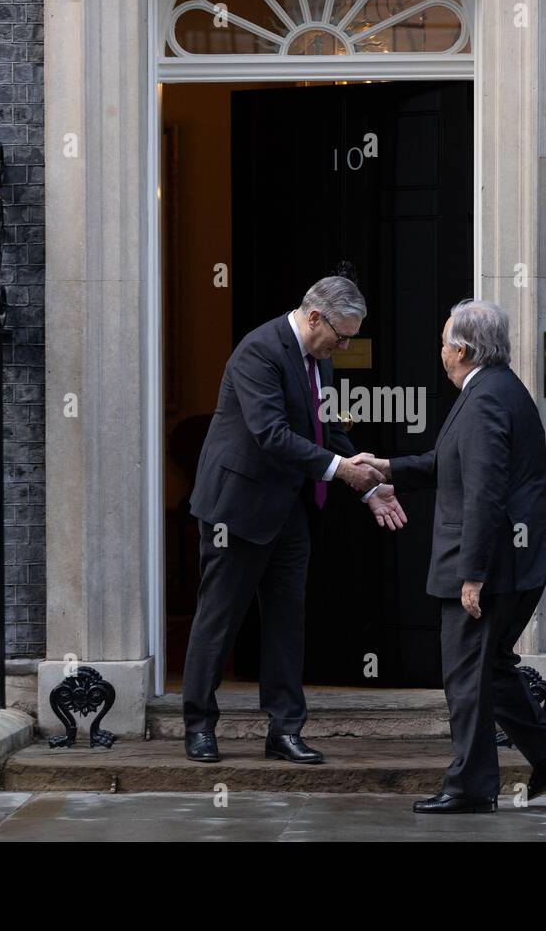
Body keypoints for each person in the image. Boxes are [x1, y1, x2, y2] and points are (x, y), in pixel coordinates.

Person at [353, 300, 546, 812]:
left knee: (465, 674)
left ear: (462, 348)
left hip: (494, 564)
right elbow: (448, 462)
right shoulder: (496, 389)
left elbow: (484, 492)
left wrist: (472, 573)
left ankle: (471, 788)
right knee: (492, 666)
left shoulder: (484, 400)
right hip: (517, 559)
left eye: (442, 340)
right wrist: (387, 466)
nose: (439, 350)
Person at [183, 275, 406, 764]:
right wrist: (342, 472)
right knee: (219, 620)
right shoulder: (259, 351)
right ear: (314, 317)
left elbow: (327, 429)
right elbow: (272, 434)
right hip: (236, 510)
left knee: (287, 622)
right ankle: (198, 725)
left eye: (350, 338)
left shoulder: (319, 360)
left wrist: (367, 485)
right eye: (342, 335)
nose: (344, 346)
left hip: (291, 513)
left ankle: (284, 730)